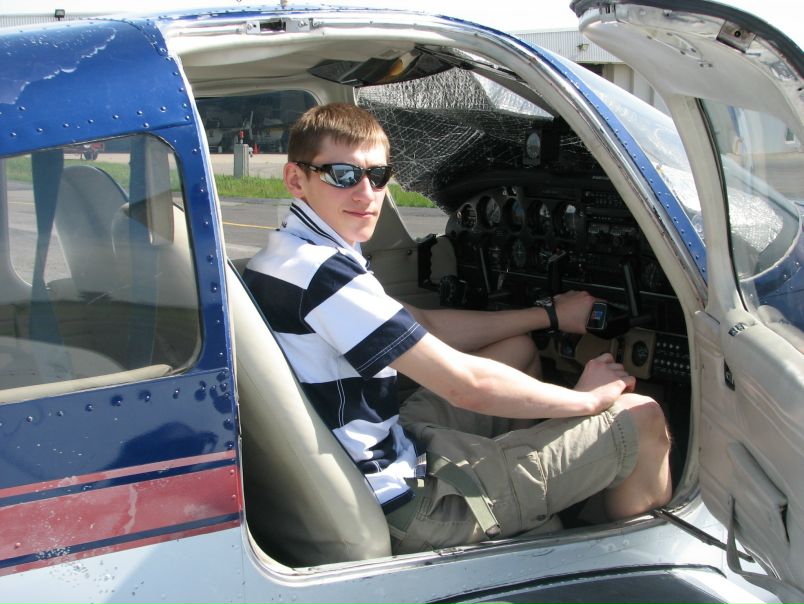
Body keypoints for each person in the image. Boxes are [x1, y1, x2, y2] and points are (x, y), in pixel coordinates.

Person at [243, 103, 672, 554]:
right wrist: (586, 399)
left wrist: (550, 315)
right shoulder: (326, 277)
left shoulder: (288, 255)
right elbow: (467, 387)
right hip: (418, 504)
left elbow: (425, 325)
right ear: (296, 179)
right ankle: (632, 562)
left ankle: (526, 486)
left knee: (518, 350)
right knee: (642, 417)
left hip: (385, 450)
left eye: (378, 175)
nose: (366, 193)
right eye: (343, 175)